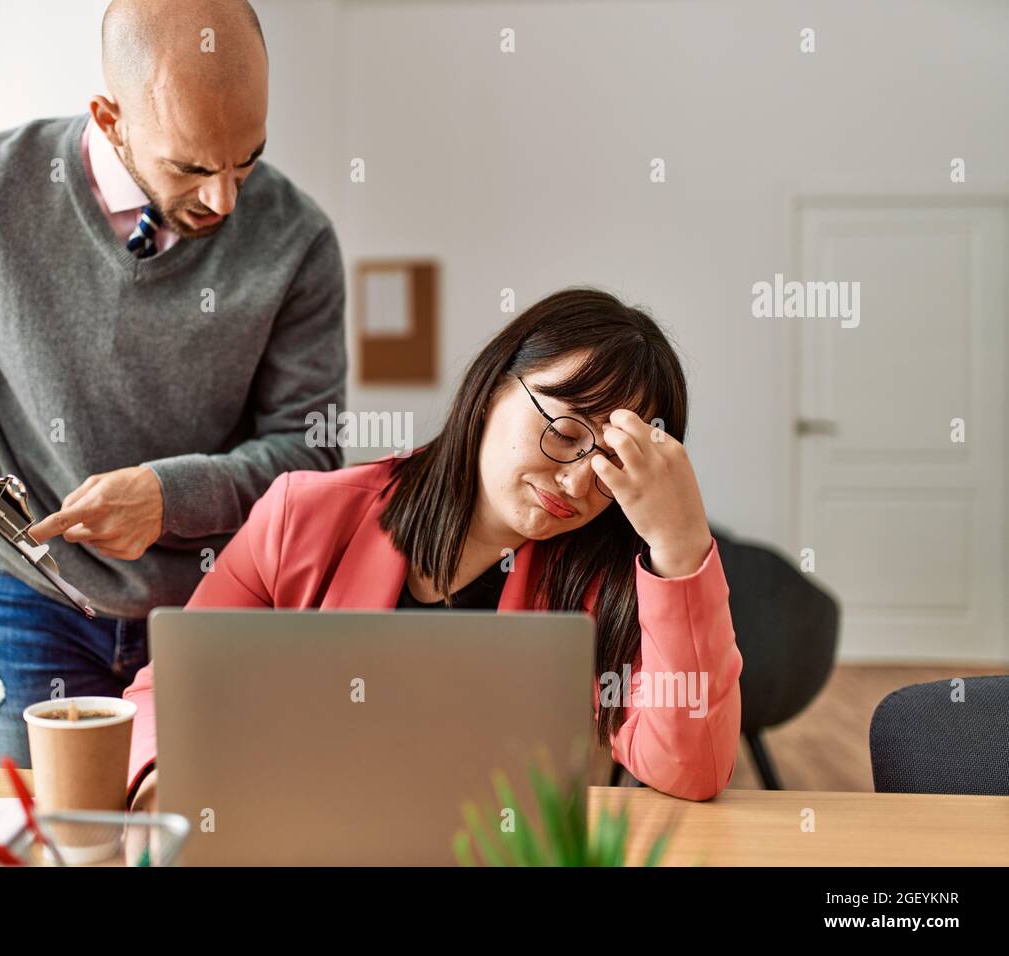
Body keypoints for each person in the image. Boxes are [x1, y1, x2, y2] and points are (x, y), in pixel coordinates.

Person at [0, 0, 346, 767]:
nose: (226, 199)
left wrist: (170, 496)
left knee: (203, 837)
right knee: (55, 840)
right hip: (30, 598)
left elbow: (310, 454)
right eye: (193, 167)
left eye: (248, 159)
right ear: (110, 117)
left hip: (216, 604)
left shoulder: (297, 241)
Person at [124, 288, 743, 805]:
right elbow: (173, 690)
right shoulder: (306, 516)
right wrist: (159, 781)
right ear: (493, 387)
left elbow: (689, 770)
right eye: (563, 430)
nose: (578, 481)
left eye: (610, 458)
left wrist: (681, 545)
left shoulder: (611, 579)